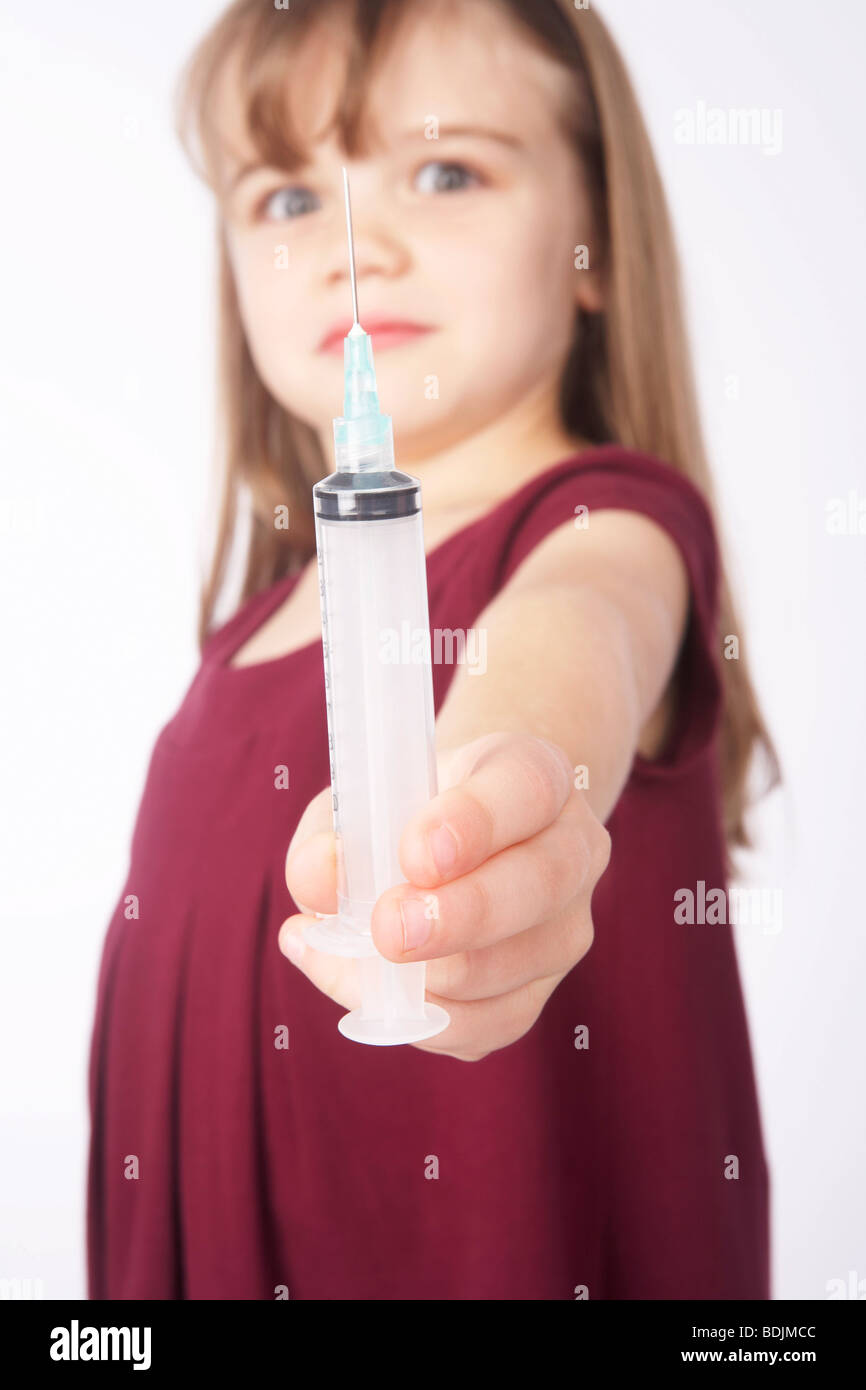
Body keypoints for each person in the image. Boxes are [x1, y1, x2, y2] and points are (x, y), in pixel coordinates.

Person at [87, 0, 779, 1300]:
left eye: (445, 169)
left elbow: (560, 664)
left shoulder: (607, 533)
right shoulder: (256, 626)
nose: (362, 251)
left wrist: (488, 802)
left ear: (595, 247)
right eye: (291, 200)